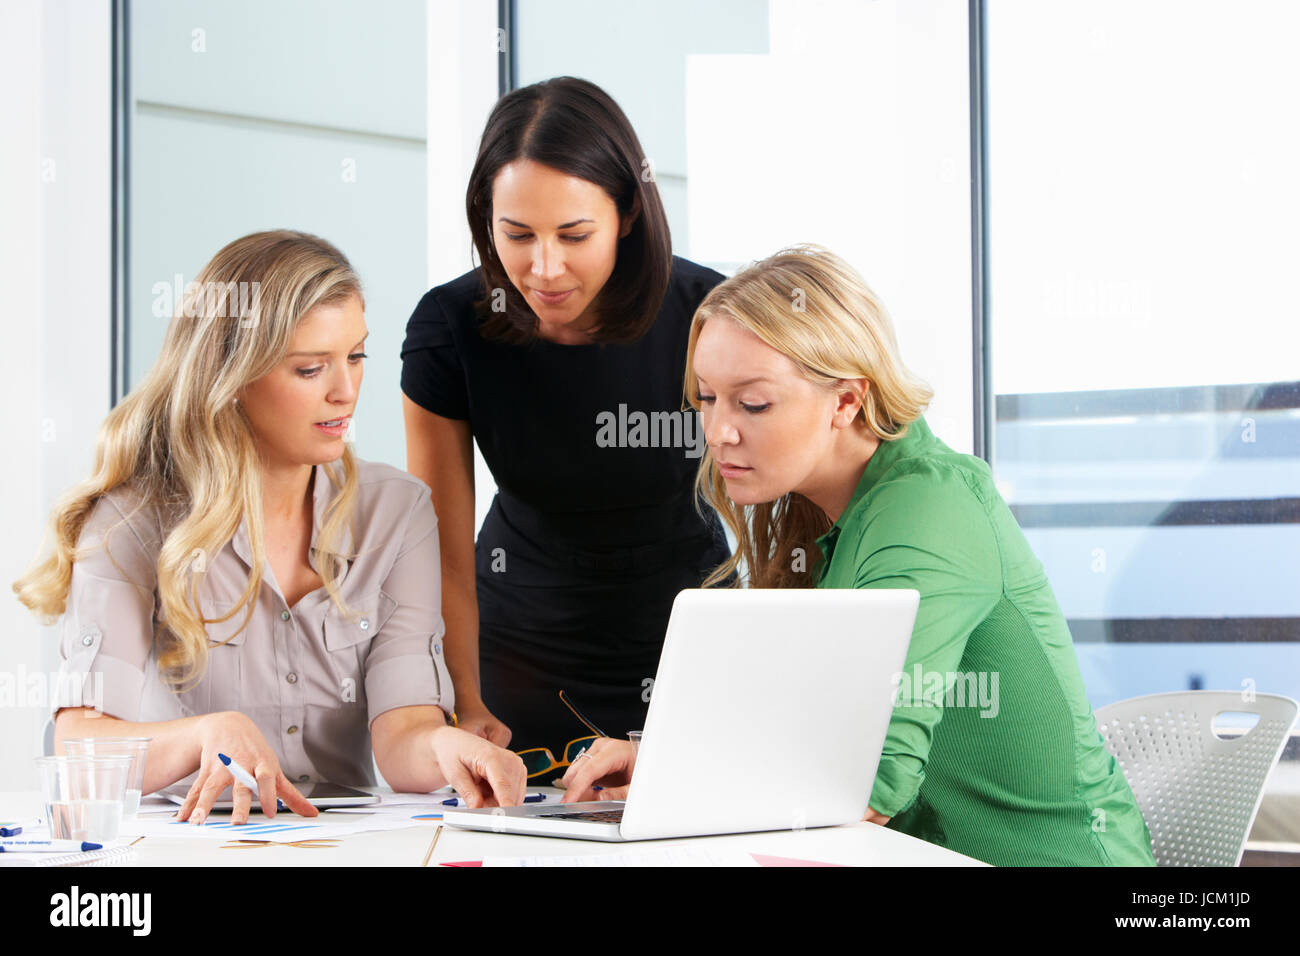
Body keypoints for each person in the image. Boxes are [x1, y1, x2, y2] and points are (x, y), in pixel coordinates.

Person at [558, 245, 1156, 867]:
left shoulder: (930, 509)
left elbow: (866, 785)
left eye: (752, 403)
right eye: (707, 399)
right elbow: (807, 740)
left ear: (846, 401)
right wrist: (666, 763)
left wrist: (681, 787)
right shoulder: (827, 510)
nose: (718, 432)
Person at [14, 230, 526, 825]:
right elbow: (78, 745)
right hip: (183, 845)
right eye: (310, 369)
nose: (346, 391)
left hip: (338, 848)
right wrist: (204, 734)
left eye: (357, 357)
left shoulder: (398, 512)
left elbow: (402, 731)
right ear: (230, 380)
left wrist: (445, 746)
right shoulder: (132, 520)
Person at [400, 77, 730, 761]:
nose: (543, 268)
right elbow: (443, 552)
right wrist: (462, 699)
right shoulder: (451, 325)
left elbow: (787, 511)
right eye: (516, 234)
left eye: (574, 234)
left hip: (690, 638)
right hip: (518, 648)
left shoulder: (712, 315)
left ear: (628, 215)